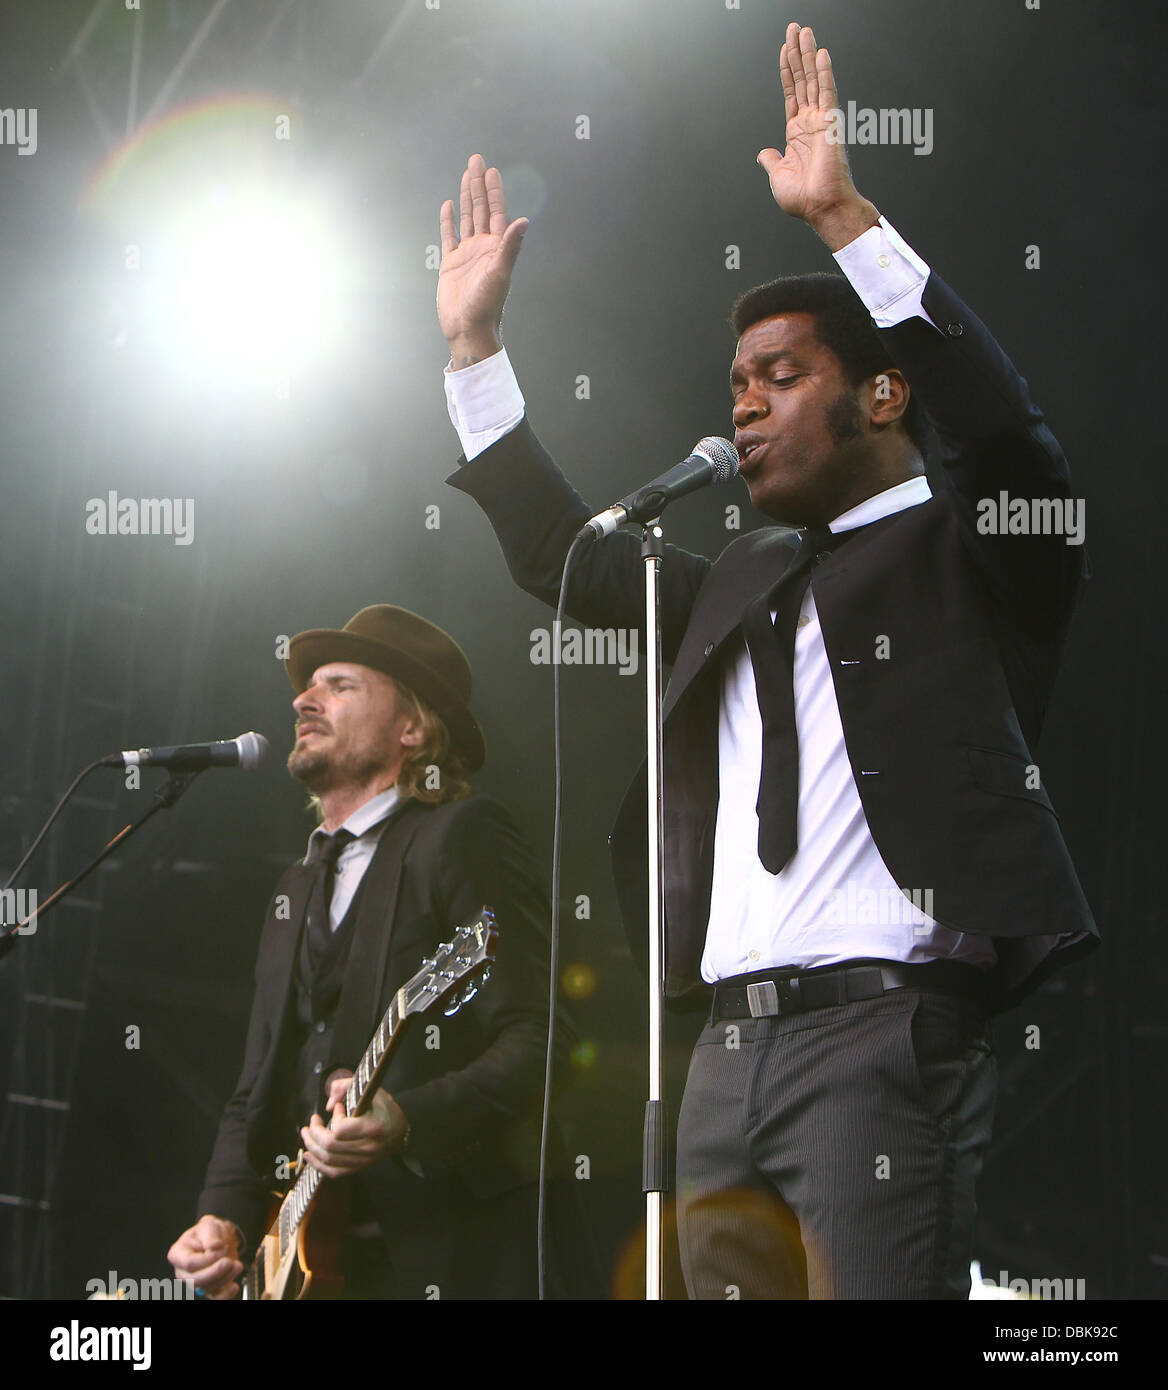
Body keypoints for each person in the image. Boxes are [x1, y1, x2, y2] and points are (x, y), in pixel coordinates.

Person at [434, 22, 1099, 1299]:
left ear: (885, 397)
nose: (741, 403)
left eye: (780, 376)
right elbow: (562, 560)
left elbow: (1008, 440)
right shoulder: (732, 584)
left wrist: (844, 218)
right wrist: (475, 355)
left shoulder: (977, 552)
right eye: (735, 381)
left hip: (882, 1034)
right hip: (719, 1058)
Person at [167, 604, 567, 1299]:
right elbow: (254, 1085)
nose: (303, 698)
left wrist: (409, 1118)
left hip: (447, 1258)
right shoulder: (295, 883)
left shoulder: (460, 836)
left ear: (412, 727)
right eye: (307, 686)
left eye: (340, 684)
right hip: (317, 1262)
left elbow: (540, 1038)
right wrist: (221, 1218)